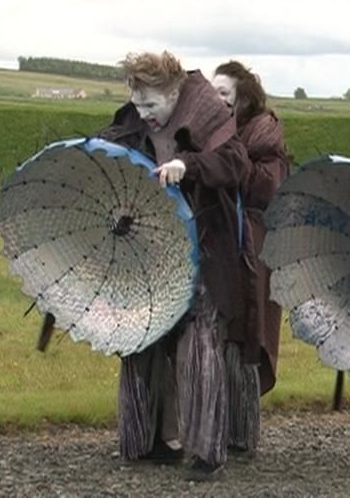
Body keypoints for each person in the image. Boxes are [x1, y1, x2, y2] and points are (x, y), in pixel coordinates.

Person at [98, 51, 250, 482]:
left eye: (152, 105)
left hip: (205, 246)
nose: (144, 114)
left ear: (174, 92)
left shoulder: (209, 114)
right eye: (138, 104)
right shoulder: (132, 120)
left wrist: (190, 165)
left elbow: (236, 164)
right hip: (151, 249)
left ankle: (205, 452)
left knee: (199, 345)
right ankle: (148, 440)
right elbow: (110, 153)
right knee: (142, 336)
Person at [210, 61, 290, 456]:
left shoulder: (263, 131)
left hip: (253, 242)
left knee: (245, 329)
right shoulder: (211, 130)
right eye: (213, 93)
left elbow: (269, 185)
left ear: (242, 97)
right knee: (219, 327)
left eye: (224, 93)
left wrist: (232, 162)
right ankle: (215, 423)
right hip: (221, 237)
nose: (217, 100)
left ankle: (240, 431)